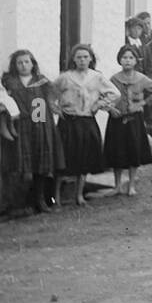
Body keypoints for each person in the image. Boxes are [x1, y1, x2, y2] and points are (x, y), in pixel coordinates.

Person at [54, 43, 119, 206]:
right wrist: (56, 109)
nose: (82, 60)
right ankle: (56, 198)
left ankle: (79, 195)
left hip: (87, 121)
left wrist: (99, 104)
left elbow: (115, 93)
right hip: (68, 121)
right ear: (73, 60)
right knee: (64, 159)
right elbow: (49, 94)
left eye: (85, 57)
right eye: (78, 57)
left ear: (90, 59)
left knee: (84, 158)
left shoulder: (97, 77)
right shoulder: (65, 77)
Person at [1, 49, 64, 213]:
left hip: (39, 124)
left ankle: (40, 199)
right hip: (19, 126)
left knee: (40, 162)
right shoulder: (9, 81)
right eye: (19, 63)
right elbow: (3, 99)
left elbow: (51, 96)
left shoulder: (41, 81)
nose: (23, 66)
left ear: (32, 63)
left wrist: (51, 107)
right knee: (21, 162)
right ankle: (21, 202)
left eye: (26, 62)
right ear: (15, 65)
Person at [105, 44, 152, 196]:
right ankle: (117, 185)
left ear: (136, 61)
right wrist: (111, 109)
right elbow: (106, 96)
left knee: (133, 150)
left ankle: (131, 185)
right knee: (117, 152)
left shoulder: (142, 79)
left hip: (134, 120)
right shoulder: (114, 79)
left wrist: (142, 104)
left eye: (131, 58)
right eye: (124, 58)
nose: (127, 61)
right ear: (119, 60)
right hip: (117, 120)